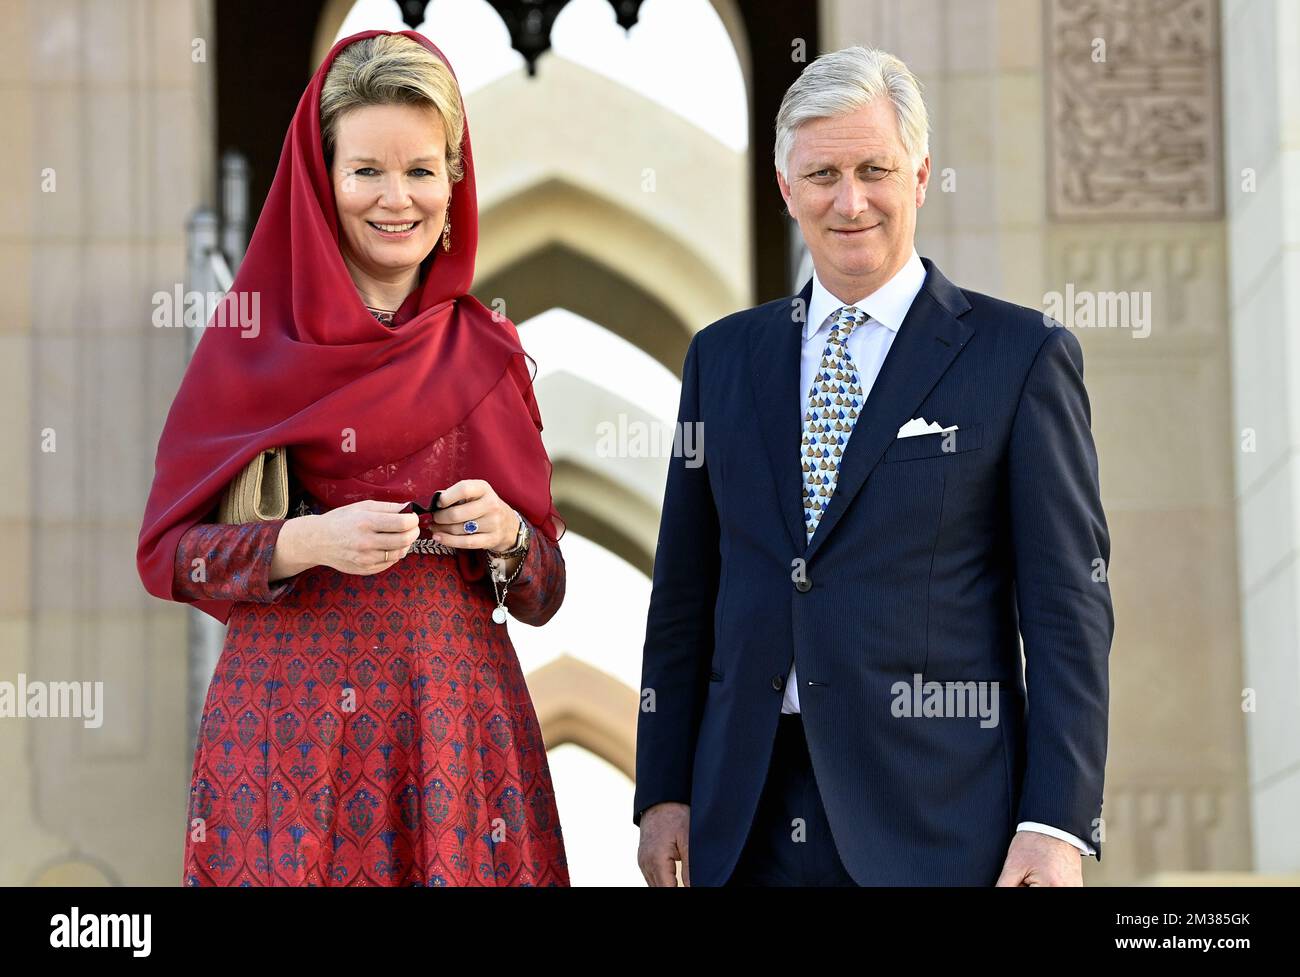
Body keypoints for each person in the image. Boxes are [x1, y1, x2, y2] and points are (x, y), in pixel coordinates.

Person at [634, 46, 1113, 886]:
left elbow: (1068, 609)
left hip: (941, 821)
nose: (849, 201)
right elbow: (683, 594)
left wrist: (1056, 822)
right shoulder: (721, 360)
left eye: (873, 170)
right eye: (821, 174)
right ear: (786, 190)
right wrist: (662, 790)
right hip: (744, 818)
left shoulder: (1020, 358)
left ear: (920, 176)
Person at [137, 30, 569, 886]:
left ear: (454, 179)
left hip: (453, 731)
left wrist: (510, 534)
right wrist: (304, 543)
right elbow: (166, 556)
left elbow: (545, 592)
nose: (395, 198)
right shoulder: (250, 344)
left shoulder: (490, 355)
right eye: (366, 169)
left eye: (420, 170)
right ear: (322, 181)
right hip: (284, 730)